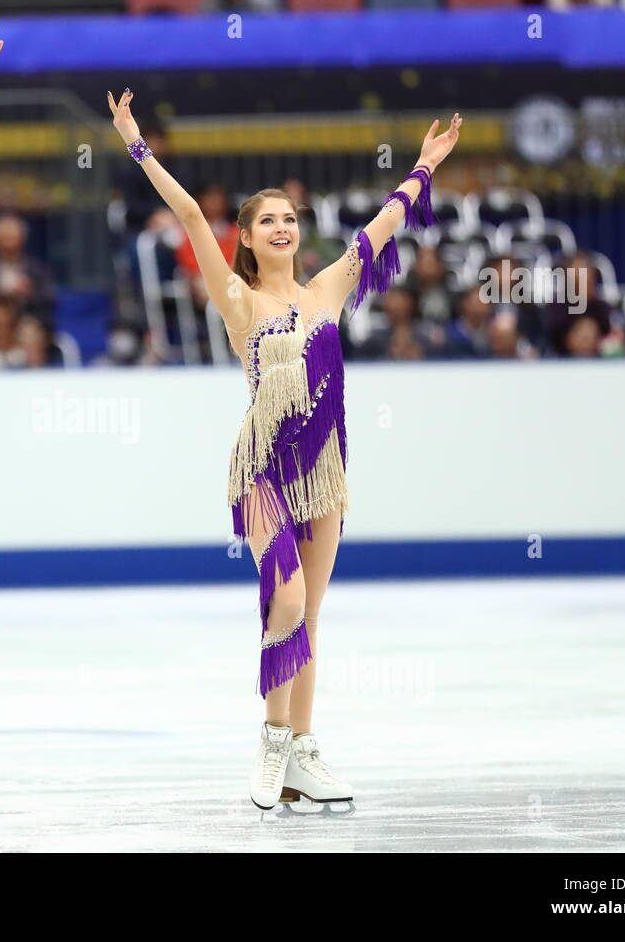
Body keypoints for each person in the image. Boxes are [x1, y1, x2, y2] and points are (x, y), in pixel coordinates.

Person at [108, 86, 462, 812]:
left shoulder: (329, 289)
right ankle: (271, 745)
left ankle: (303, 754)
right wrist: (137, 144)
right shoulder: (239, 302)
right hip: (264, 473)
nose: (281, 226)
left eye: (289, 218)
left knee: (312, 615)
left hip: (325, 474)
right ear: (245, 235)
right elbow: (183, 214)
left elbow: (385, 225)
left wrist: (422, 168)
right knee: (287, 601)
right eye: (266, 219)